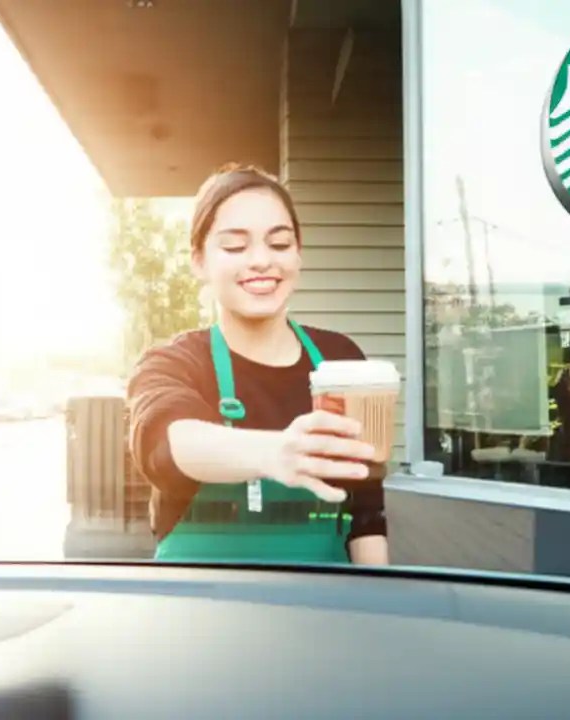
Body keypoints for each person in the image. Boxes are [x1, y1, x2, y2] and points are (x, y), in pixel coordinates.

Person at [127, 163, 389, 565]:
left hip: (327, 612)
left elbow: (366, 511)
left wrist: (380, 608)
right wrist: (275, 453)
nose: (262, 260)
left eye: (280, 244)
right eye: (235, 246)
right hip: (200, 616)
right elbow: (166, 445)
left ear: (299, 254)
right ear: (199, 261)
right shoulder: (175, 362)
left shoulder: (341, 360)